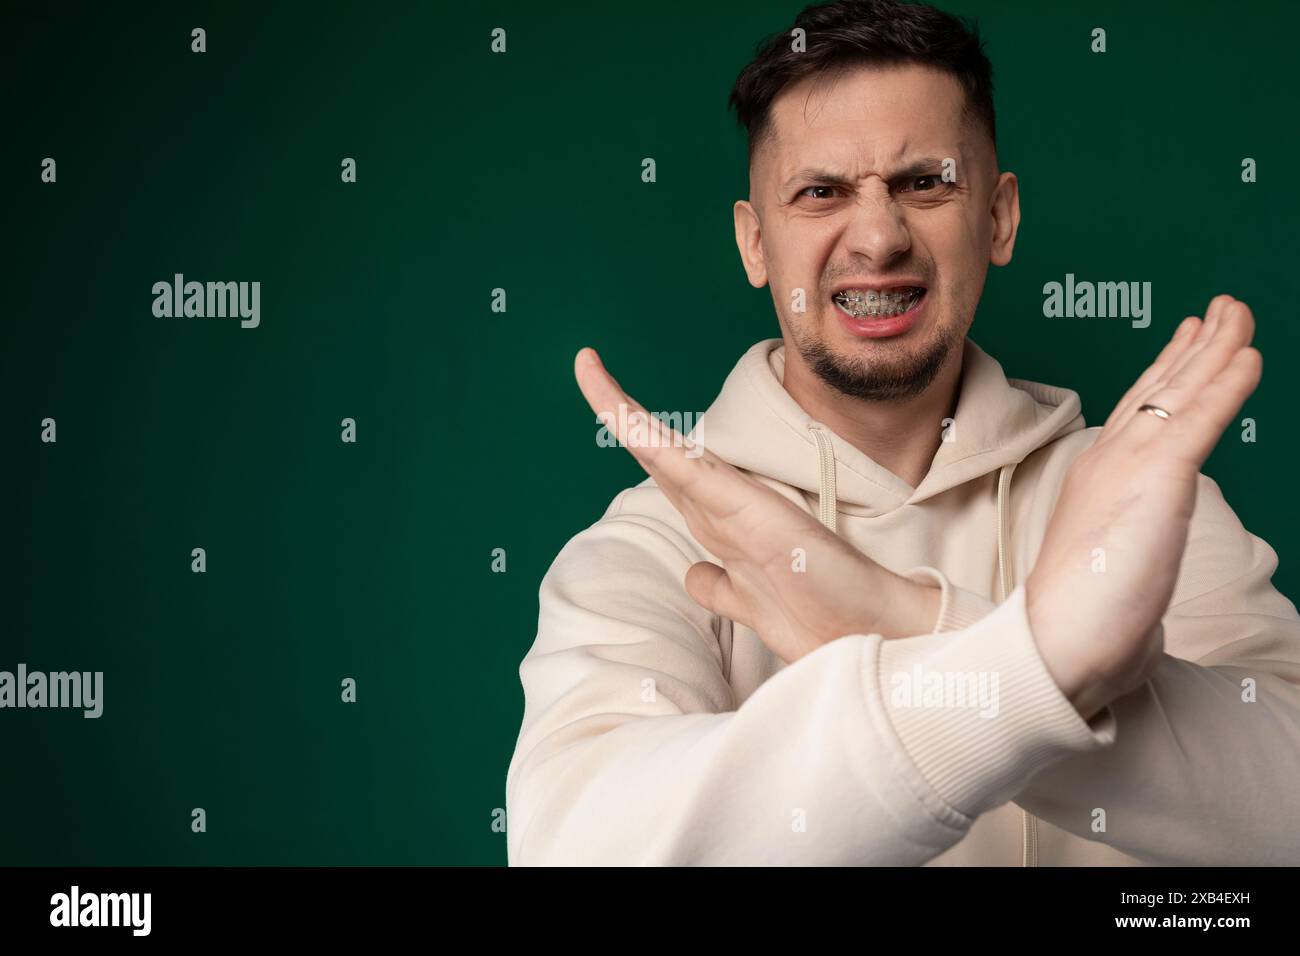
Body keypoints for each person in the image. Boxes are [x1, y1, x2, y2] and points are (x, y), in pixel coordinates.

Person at [504, 0, 1298, 865]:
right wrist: (1033, 667)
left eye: (926, 183)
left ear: (997, 219)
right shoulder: (653, 547)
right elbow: (581, 844)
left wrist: (904, 620)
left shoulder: (1139, 501)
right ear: (754, 243)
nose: (878, 238)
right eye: (820, 193)